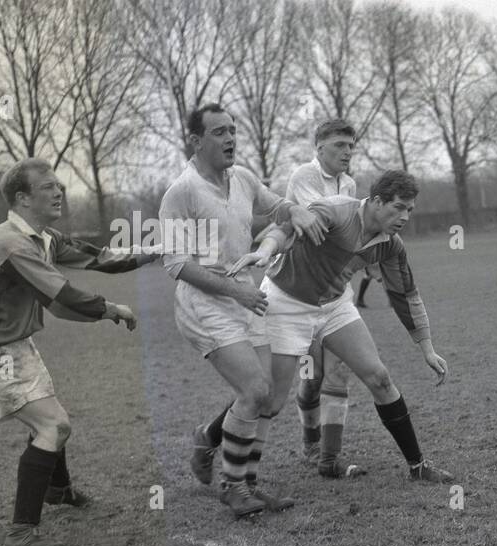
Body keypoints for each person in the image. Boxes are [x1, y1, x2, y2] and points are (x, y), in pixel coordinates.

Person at [0, 158, 151, 546]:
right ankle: (20, 532)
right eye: (48, 187)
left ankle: (58, 491)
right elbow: (63, 295)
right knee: (53, 425)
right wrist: (112, 309)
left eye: (58, 185)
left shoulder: (41, 236)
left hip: (14, 346)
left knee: (50, 421)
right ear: (22, 198)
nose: (59, 191)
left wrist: (156, 252)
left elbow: (98, 258)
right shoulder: (10, 242)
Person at [233, 169, 453, 486]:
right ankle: (231, 465)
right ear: (377, 201)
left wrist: (427, 348)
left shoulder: (391, 244)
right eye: (399, 207)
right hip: (286, 302)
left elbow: (405, 294)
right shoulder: (336, 211)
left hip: (334, 305)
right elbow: (285, 229)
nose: (405, 216)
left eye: (410, 210)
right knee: (270, 399)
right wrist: (264, 251)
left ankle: (417, 466)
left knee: (379, 378)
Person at [159, 103, 324, 518]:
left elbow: (277, 206)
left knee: (266, 396)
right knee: (254, 391)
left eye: (233, 130)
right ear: (196, 141)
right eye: (219, 132)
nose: (230, 138)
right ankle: (233, 488)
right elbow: (177, 265)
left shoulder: (244, 178)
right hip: (205, 304)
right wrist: (237, 291)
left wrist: (297, 210)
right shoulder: (182, 191)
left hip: (243, 297)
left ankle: (236, 471)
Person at [283, 118, 369, 477]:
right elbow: (322, 226)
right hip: (298, 289)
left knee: (339, 371)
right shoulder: (304, 176)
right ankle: (308, 440)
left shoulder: (349, 183)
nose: (347, 152)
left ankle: (327, 458)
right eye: (339, 146)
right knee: (311, 376)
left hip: (334, 289)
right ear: (319, 148)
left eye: (351, 146)